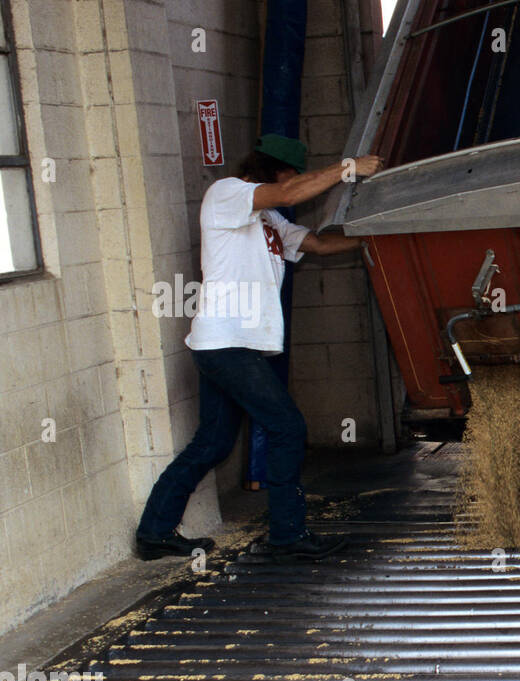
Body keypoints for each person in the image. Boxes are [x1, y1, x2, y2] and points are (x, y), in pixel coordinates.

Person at [134, 134, 384, 561]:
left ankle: (154, 533)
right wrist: (348, 167)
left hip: (233, 345)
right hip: (226, 342)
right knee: (287, 427)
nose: (293, 182)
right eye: (291, 173)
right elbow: (290, 191)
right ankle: (287, 534)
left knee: (212, 444)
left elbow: (320, 245)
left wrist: (376, 239)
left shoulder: (269, 218)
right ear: (274, 170)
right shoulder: (228, 194)